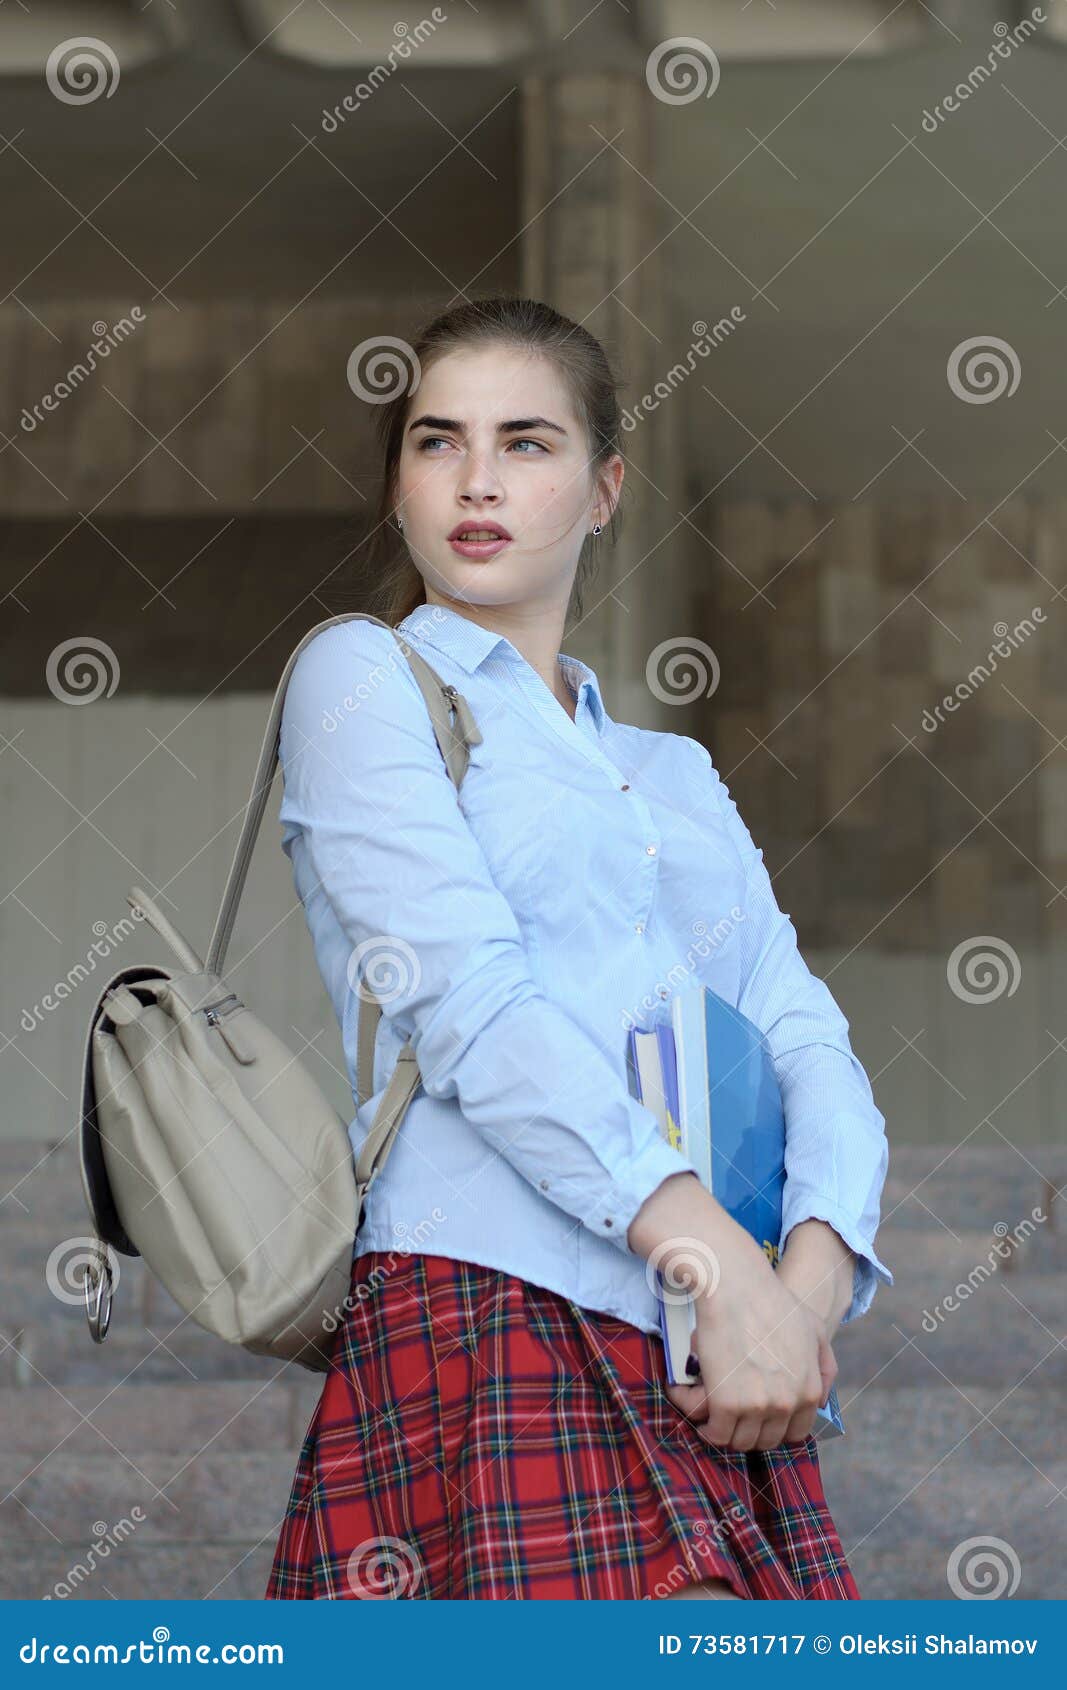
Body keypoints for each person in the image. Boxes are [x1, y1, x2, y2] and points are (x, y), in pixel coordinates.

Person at [265, 296, 893, 1601]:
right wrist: (715, 1258)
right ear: (400, 484)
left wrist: (807, 1289)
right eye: (439, 441)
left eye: (528, 442)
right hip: (492, 1305)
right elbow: (474, 1011)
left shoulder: (668, 769)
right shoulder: (361, 678)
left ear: (605, 489)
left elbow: (796, 1026)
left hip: (711, 1342)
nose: (479, 480)